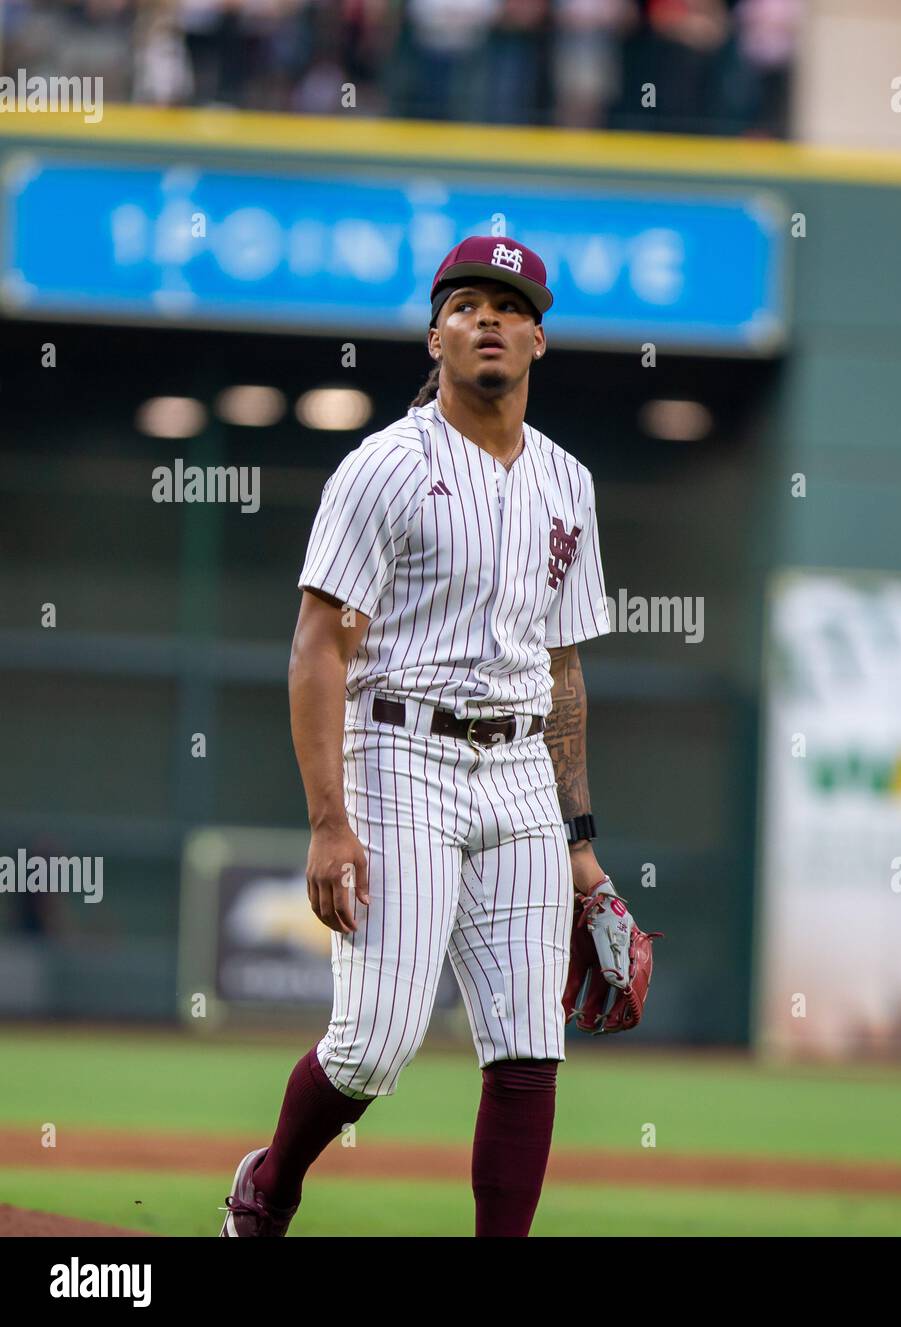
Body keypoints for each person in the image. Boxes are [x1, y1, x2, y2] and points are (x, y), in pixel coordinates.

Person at [220, 235, 653, 1237]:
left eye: (509, 303)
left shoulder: (567, 483)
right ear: (435, 335)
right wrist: (329, 822)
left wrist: (580, 845)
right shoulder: (385, 466)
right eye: (466, 303)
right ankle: (268, 1185)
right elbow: (318, 647)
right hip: (398, 754)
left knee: (527, 1044)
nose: (489, 318)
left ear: (540, 337)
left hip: (517, 771)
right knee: (372, 1046)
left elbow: (561, 670)